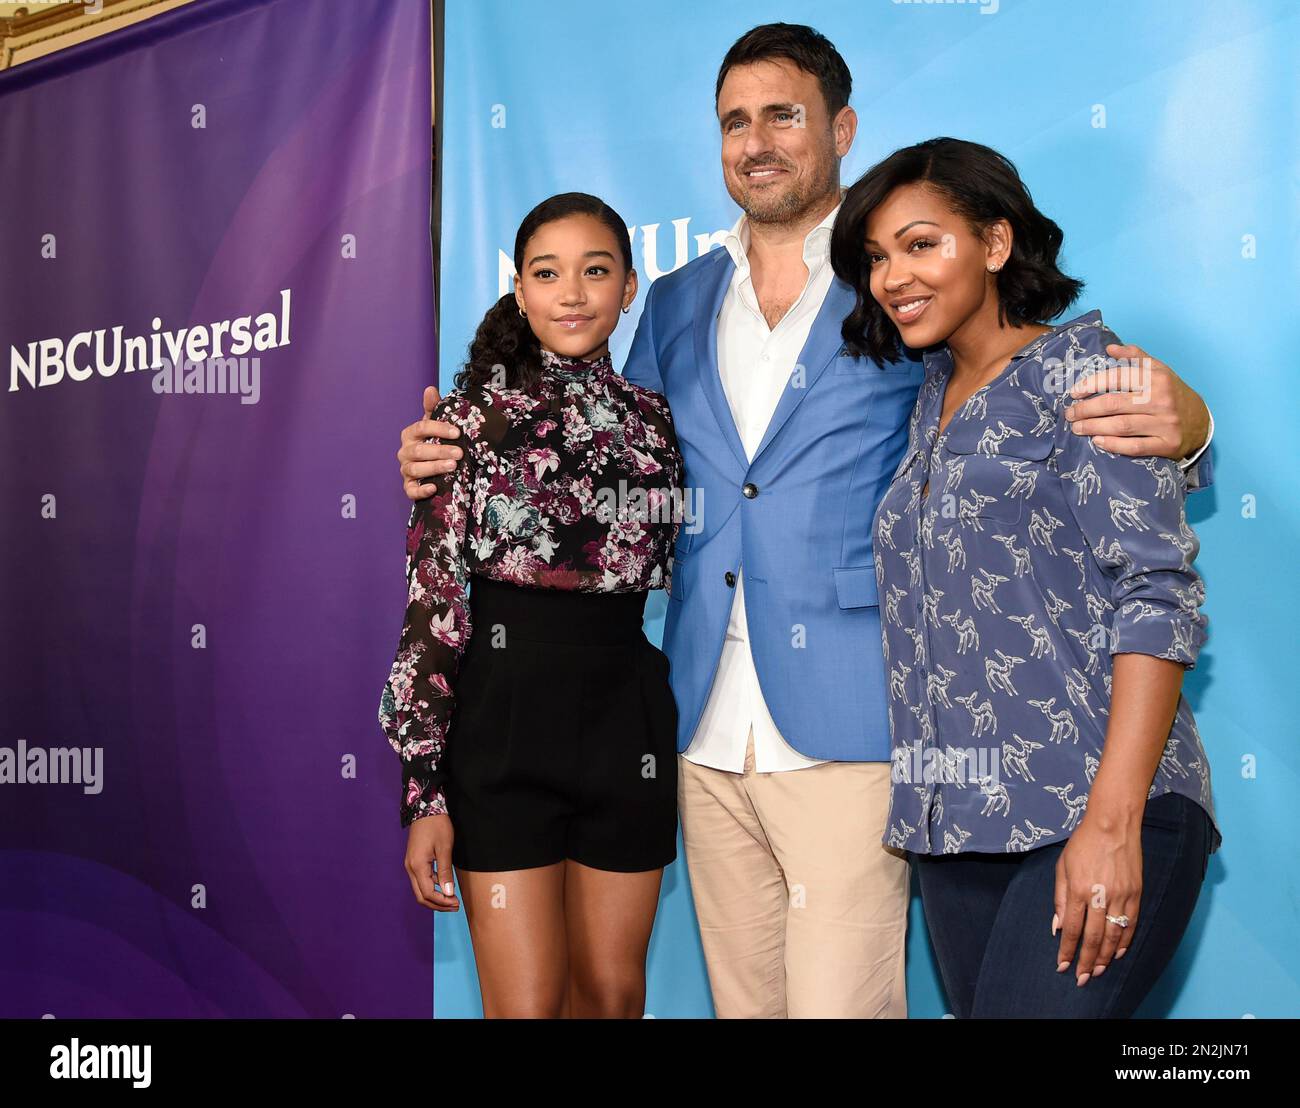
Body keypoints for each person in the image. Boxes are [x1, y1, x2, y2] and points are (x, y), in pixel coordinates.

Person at [395, 25, 1215, 1019]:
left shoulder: (897, 294)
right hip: (696, 726)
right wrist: (448, 457)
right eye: (734, 121)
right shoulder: (673, 299)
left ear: (841, 127)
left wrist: (1190, 423)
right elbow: (604, 458)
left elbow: (1028, 389)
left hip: (860, 727)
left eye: (781, 113)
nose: (756, 140)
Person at [830, 136, 1221, 1017]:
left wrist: (1112, 827)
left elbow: (1156, 596)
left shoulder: (1088, 373)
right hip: (953, 826)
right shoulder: (927, 396)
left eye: (921, 244)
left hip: (1095, 806)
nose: (893, 276)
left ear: (997, 243)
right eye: (877, 258)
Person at [378, 192, 684, 1018]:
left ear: (628, 287)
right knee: (525, 1009)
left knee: (614, 998)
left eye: (597, 271)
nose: (574, 293)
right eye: (548, 274)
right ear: (520, 290)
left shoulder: (660, 423)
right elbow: (433, 610)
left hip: (628, 728)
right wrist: (424, 793)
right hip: (501, 734)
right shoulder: (463, 428)